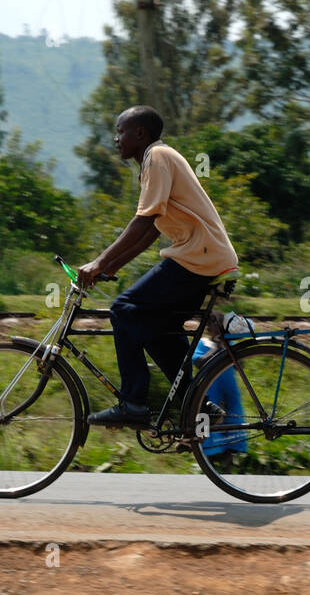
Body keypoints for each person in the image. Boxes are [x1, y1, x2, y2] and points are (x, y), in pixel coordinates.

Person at [77, 105, 239, 426]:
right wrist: (109, 267)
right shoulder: (154, 161)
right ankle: (198, 405)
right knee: (153, 328)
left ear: (140, 133)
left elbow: (144, 221)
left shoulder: (157, 157)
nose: (115, 139)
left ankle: (133, 403)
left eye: (120, 131)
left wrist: (98, 262)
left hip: (199, 257)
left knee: (123, 310)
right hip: (204, 256)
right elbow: (152, 231)